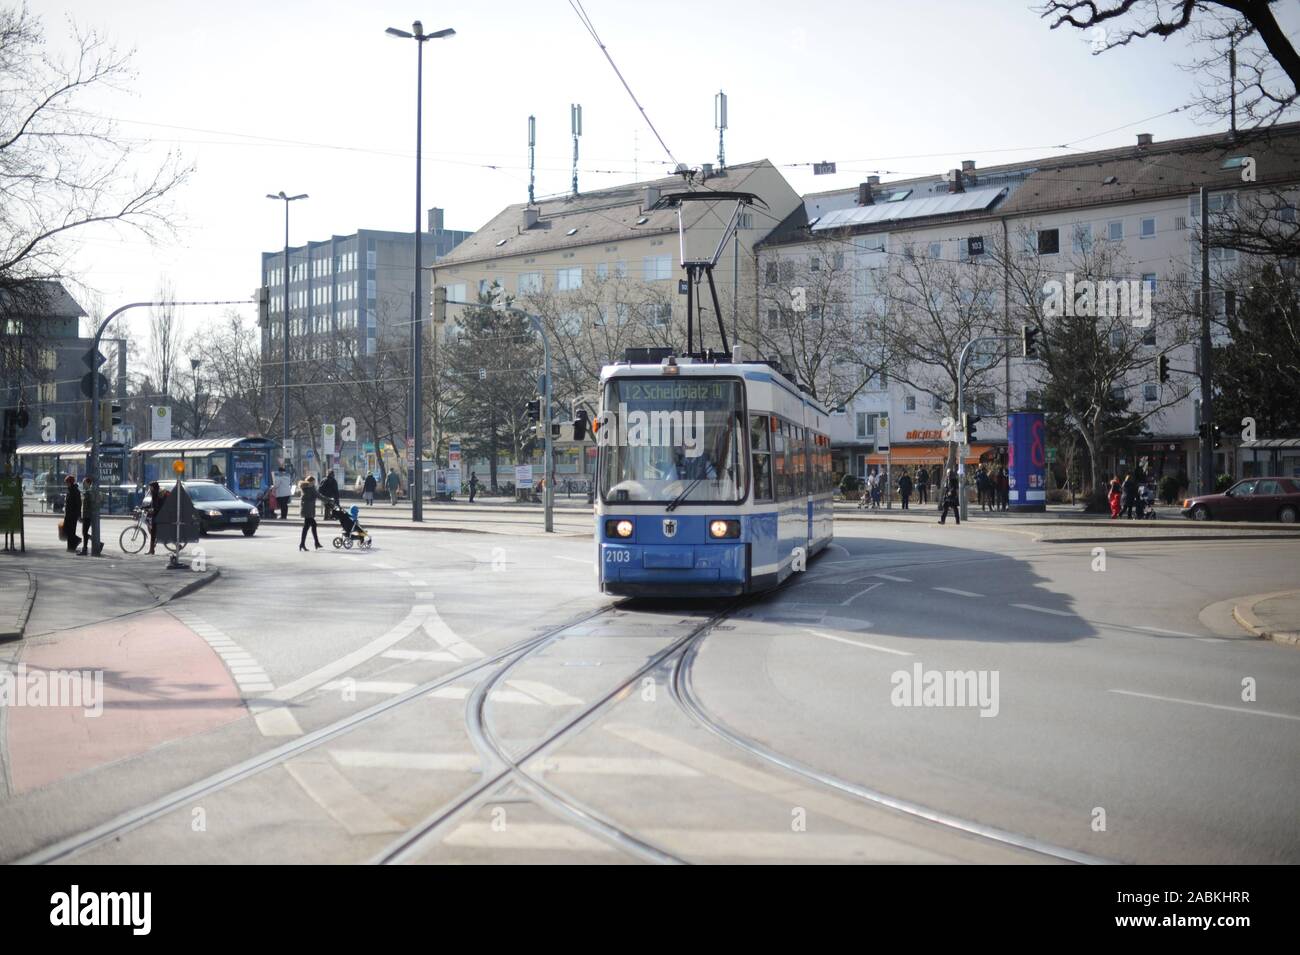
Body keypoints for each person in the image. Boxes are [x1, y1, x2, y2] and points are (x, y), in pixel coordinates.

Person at [299, 475, 322, 551]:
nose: (314, 483)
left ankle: (303, 544)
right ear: (311, 482)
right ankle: (316, 543)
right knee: (313, 525)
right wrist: (329, 500)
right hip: (308, 510)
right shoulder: (311, 488)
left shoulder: (304, 488)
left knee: (306, 527)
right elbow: (318, 496)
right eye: (314, 482)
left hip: (306, 510)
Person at [79, 475, 98, 556]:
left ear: (88, 483)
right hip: (87, 515)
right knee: (85, 533)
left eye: (84, 483)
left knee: (84, 532)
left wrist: (83, 516)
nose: (83, 484)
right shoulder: (87, 492)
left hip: (88, 516)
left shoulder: (88, 493)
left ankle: (85, 549)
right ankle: (96, 543)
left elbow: (88, 505)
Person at [147, 481, 167, 555]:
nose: (150, 488)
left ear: (154, 487)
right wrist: (145, 507)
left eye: (151, 487)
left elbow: (159, 506)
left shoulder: (158, 495)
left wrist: (153, 510)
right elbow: (152, 504)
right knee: (155, 533)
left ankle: (151, 550)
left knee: (153, 532)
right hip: (156, 515)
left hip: (159, 516)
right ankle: (151, 549)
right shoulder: (154, 493)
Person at [62, 474, 81, 553]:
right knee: (67, 530)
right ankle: (74, 543)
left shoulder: (75, 491)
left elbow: (78, 504)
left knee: (71, 531)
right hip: (68, 514)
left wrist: (78, 515)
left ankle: (71, 547)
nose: (66, 484)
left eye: (67, 482)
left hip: (73, 514)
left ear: (70, 482)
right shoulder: (69, 490)